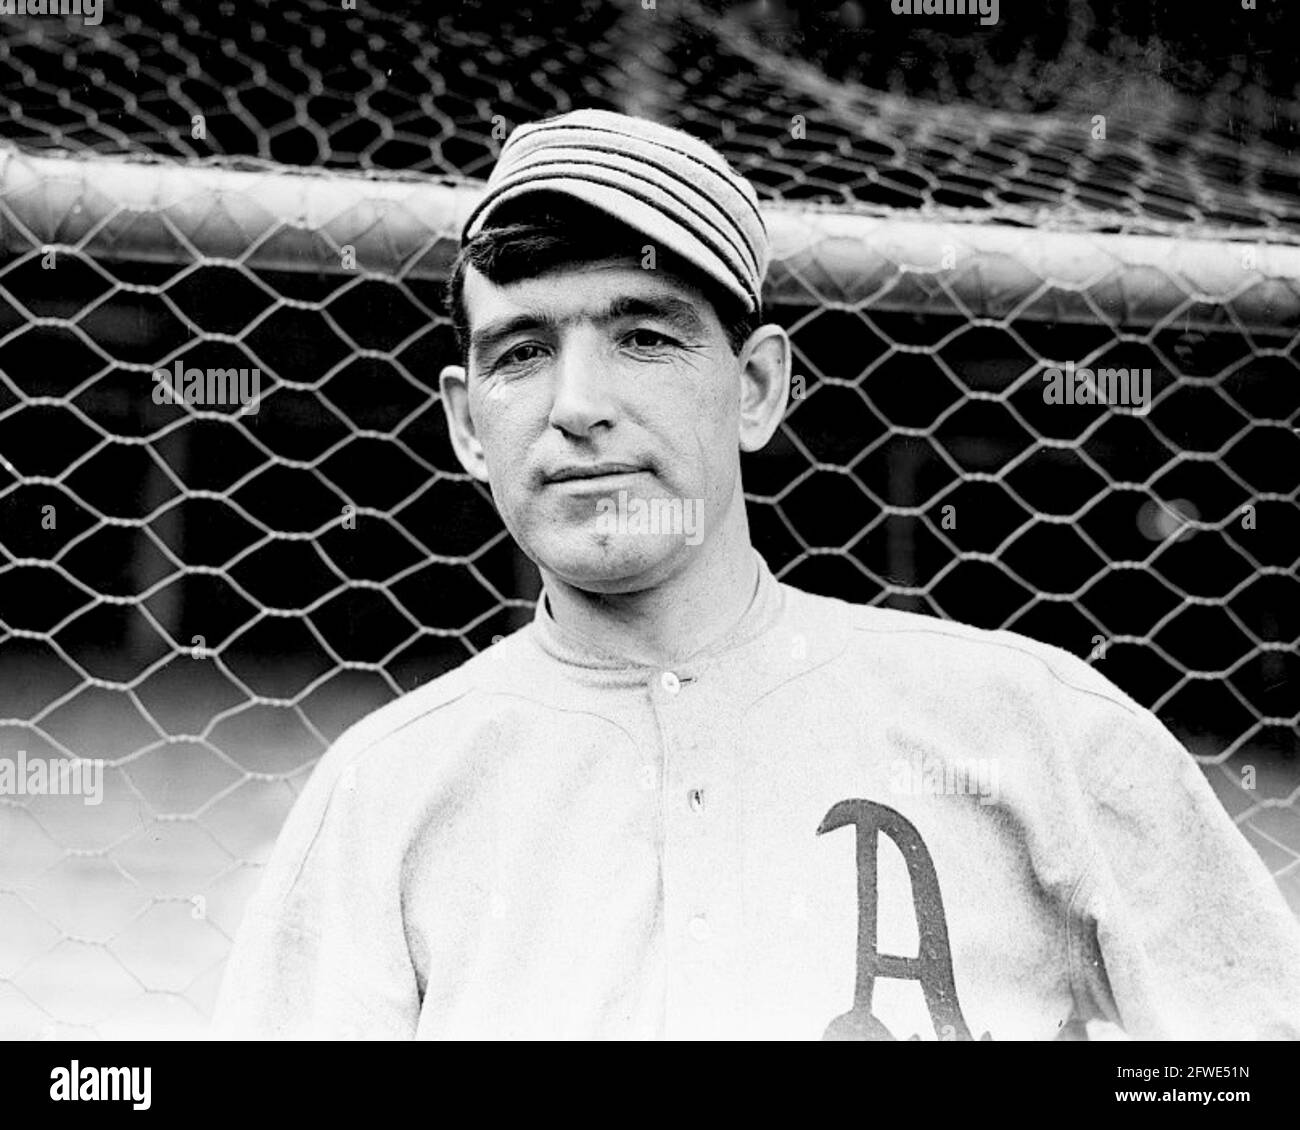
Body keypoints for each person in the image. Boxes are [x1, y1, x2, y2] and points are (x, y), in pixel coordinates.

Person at [213, 108, 1300, 1040]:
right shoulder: (384, 792)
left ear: (757, 387)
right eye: (521, 350)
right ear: (465, 421)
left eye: (643, 335)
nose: (577, 402)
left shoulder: (1030, 726)